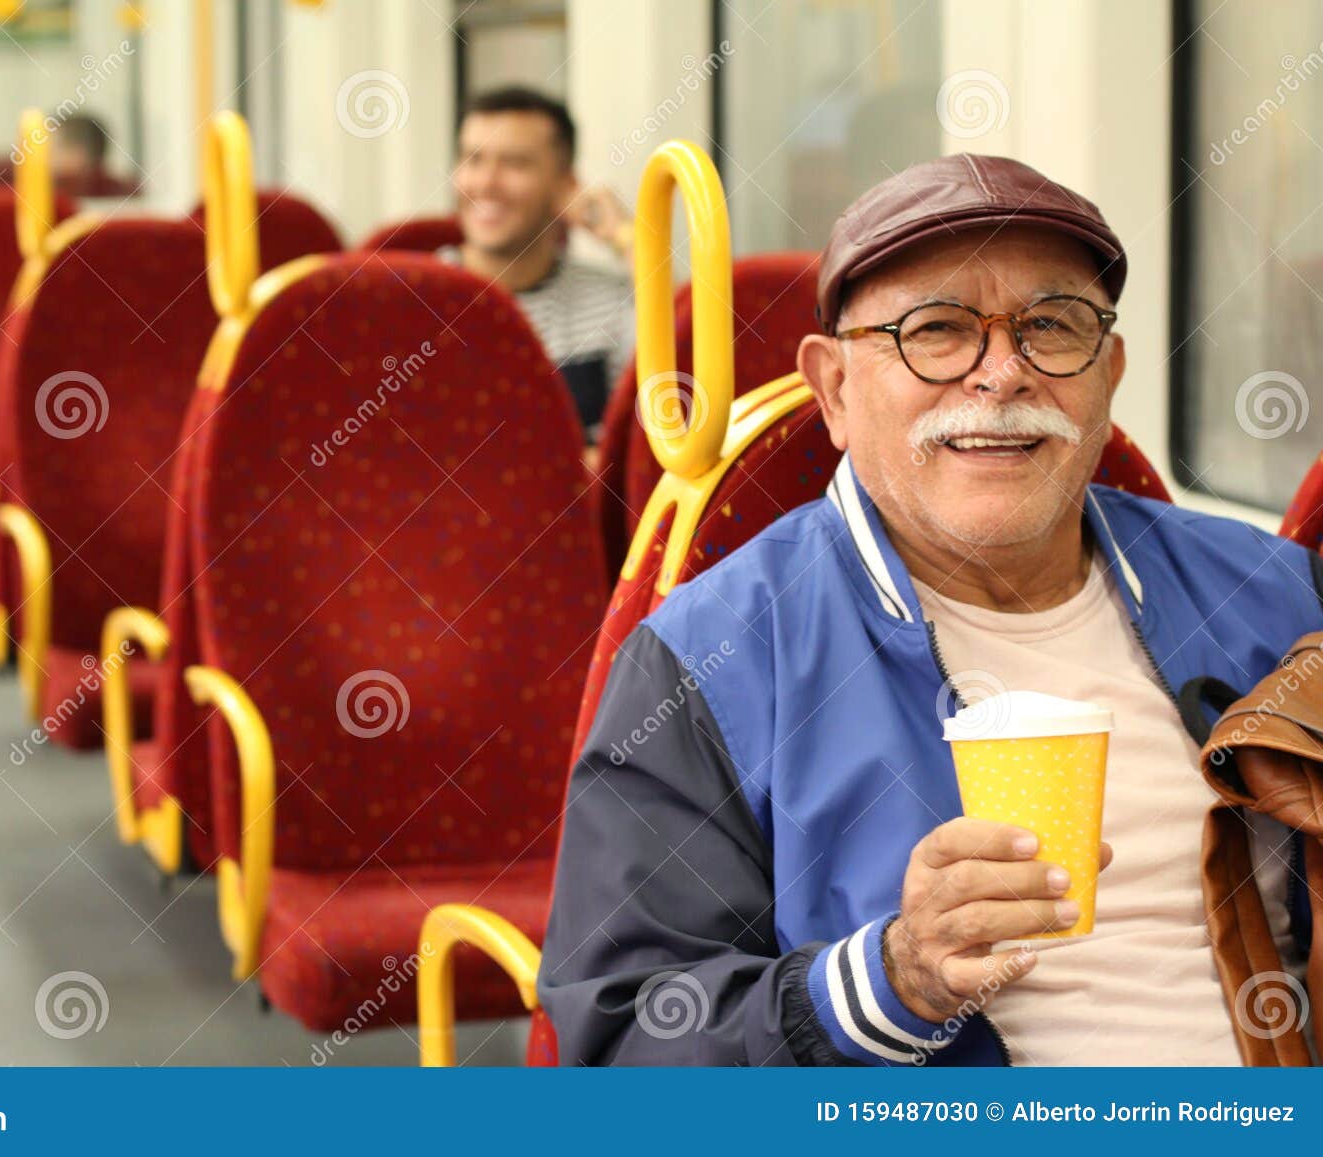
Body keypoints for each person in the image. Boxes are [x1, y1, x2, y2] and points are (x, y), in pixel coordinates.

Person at [536, 153, 1318, 1066]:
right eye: (936, 330)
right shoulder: (714, 659)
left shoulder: (1277, 594)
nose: (1003, 373)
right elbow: (621, 1038)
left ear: (1108, 375)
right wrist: (887, 980)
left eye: (1053, 326)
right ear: (833, 388)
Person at [441, 86, 636, 444]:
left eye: (515, 163)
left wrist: (631, 241)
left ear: (566, 187)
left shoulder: (616, 302)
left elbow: (680, 399)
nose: (486, 183)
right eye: (473, 160)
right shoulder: (408, 297)